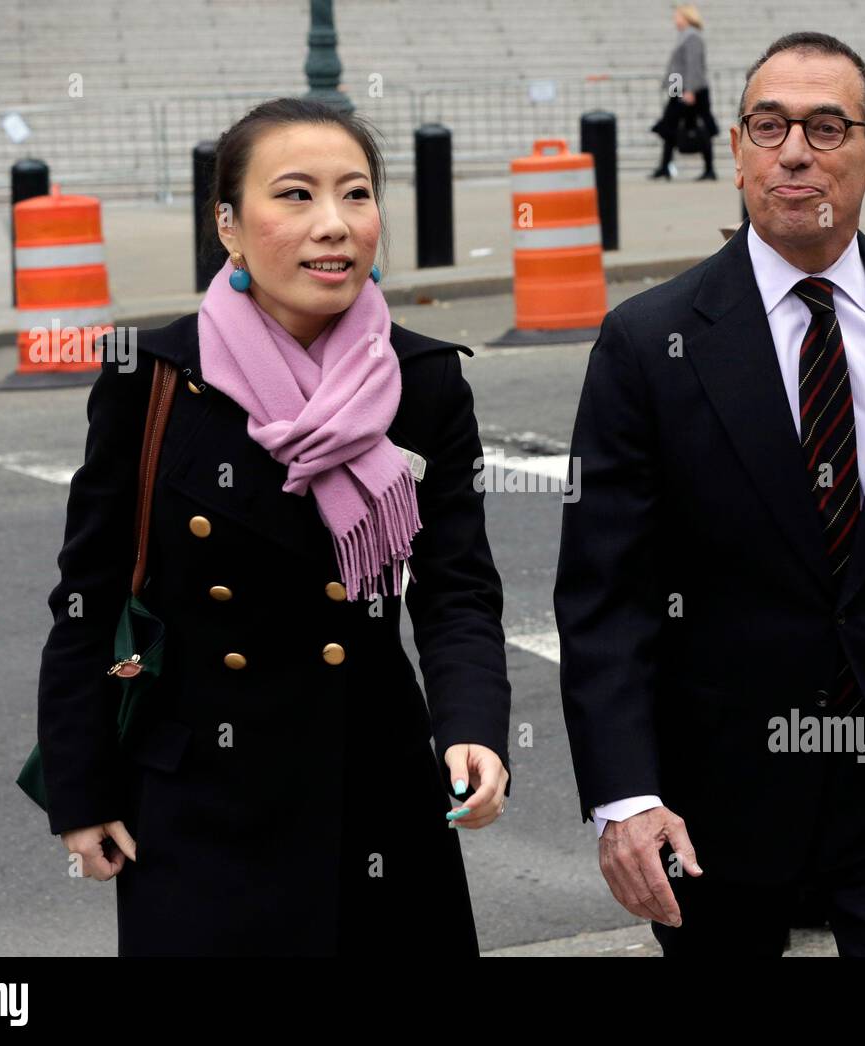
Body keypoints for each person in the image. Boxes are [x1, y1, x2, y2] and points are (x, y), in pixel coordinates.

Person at [34, 97, 512, 956]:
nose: (334, 225)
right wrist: (82, 789)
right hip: (198, 808)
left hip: (374, 792)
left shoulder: (424, 380)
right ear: (229, 224)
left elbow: (457, 589)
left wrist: (472, 725)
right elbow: (89, 596)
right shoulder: (153, 378)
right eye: (295, 195)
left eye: (356, 195)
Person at [555, 32, 865, 957]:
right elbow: (606, 597)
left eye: (826, 127)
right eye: (768, 125)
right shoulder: (648, 342)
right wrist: (626, 799)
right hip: (718, 804)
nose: (794, 151)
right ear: (739, 152)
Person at [649, 4, 719, 180]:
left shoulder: (692, 36)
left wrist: (690, 90)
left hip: (690, 89)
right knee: (669, 126)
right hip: (678, 86)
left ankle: (709, 168)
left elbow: (693, 65)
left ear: (687, 17)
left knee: (700, 127)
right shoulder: (684, 36)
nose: (675, 19)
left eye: (678, 16)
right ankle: (664, 166)